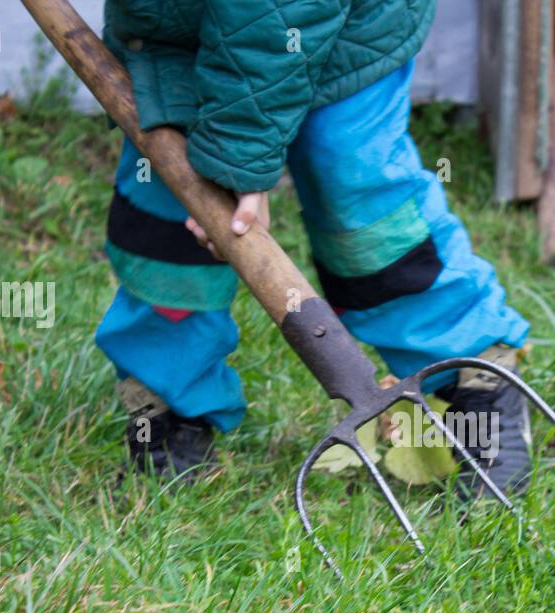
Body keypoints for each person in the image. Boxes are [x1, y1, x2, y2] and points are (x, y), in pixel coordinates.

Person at [96, 0, 531, 497]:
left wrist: (238, 167)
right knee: (164, 204)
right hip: (174, 32)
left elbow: (278, 13)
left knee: (357, 195)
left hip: (349, 25)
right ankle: (166, 406)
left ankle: (475, 372)